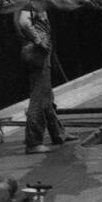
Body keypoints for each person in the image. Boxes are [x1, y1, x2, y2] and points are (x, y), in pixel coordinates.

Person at [16, 9, 75, 154]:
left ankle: (58, 133)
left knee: (47, 95)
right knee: (39, 96)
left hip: (40, 52)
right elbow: (24, 22)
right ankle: (33, 142)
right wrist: (38, 41)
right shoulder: (29, 2)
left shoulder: (32, 0)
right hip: (37, 52)